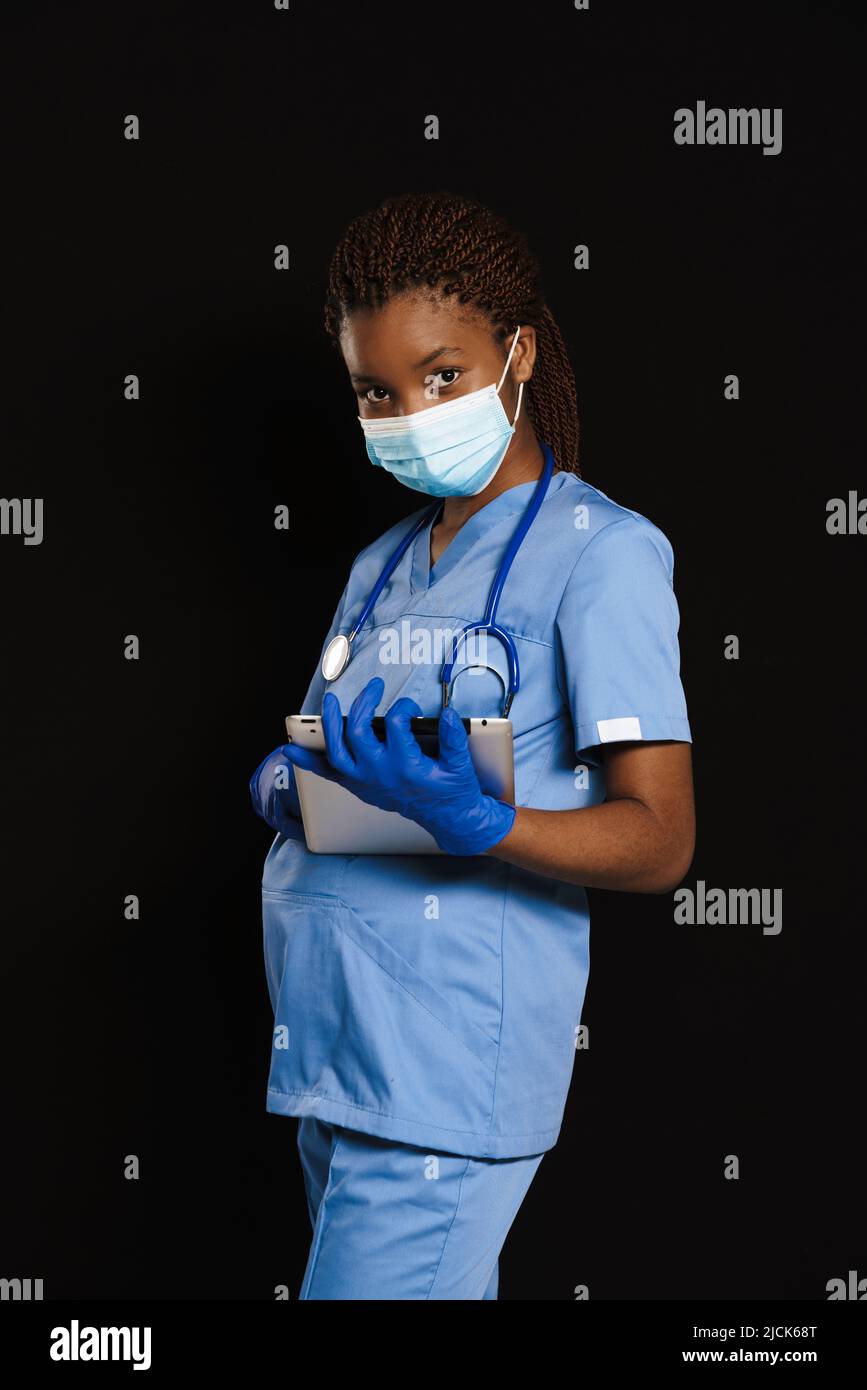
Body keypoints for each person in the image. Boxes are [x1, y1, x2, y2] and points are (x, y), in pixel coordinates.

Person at [249, 191, 695, 1300]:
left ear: (520, 353)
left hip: (445, 1069)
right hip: (335, 1048)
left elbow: (662, 839)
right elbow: (318, 754)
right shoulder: (381, 565)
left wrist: (490, 822)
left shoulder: (605, 555)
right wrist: (286, 785)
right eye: (376, 392)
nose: (410, 412)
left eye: (442, 376)